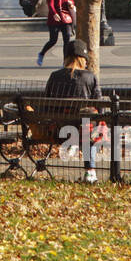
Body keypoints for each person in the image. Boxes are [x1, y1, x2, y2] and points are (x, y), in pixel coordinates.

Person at [42, 38, 102, 183]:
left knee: (85, 127)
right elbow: (100, 106)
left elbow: (46, 103)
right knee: (90, 128)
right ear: (84, 58)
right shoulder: (90, 77)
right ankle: (90, 172)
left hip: (58, 129)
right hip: (83, 129)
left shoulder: (54, 76)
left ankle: (73, 142)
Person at [37, 0, 75, 66]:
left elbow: (72, 0)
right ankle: (42, 53)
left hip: (65, 18)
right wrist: (54, 13)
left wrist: (71, 4)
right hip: (55, 19)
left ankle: (65, 62)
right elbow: (50, 5)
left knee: (67, 40)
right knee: (53, 40)